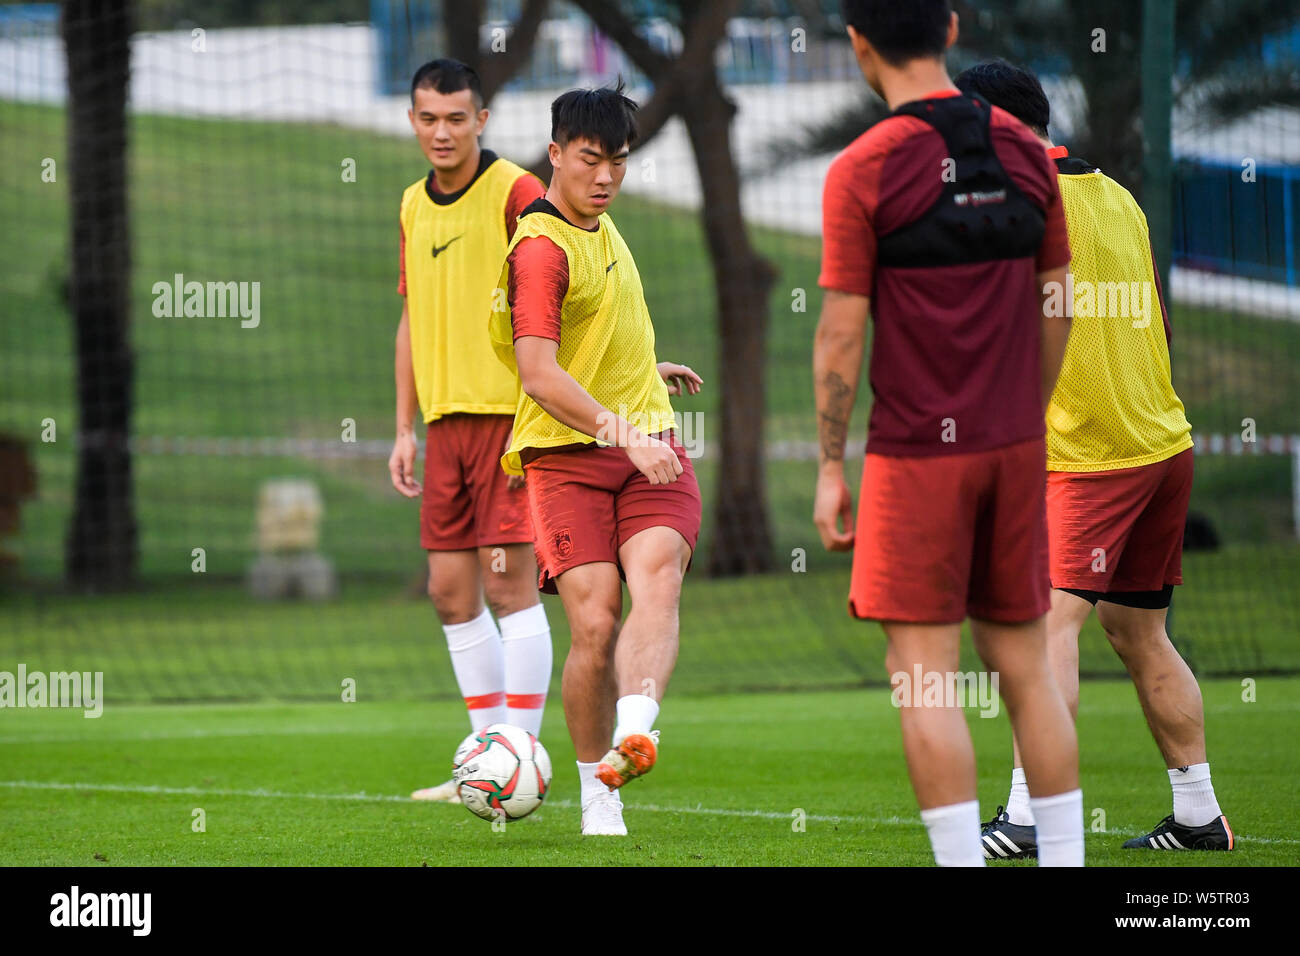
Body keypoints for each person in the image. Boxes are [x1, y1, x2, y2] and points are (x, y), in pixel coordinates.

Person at [813, 0, 1083, 866]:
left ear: (859, 45)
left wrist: (829, 464)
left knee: (926, 676)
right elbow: (1061, 300)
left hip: (916, 459)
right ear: (953, 29)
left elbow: (841, 336)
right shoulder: (1025, 151)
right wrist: (1026, 414)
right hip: (1015, 449)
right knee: (1027, 672)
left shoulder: (863, 168)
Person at [954, 59, 1233, 856]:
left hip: (1091, 457)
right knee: (1140, 634)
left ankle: (1029, 816)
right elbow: (1159, 322)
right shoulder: (1117, 195)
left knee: (1044, 630)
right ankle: (1198, 816)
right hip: (1160, 444)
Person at [489, 83, 703, 837]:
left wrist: (650, 373)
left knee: (658, 581)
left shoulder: (605, 229)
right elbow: (541, 373)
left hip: (647, 445)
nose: (607, 176)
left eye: (618, 160)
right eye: (591, 160)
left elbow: (602, 337)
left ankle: (634, 737)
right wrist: (627, 432)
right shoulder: (542, 249)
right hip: (565, 461)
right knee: (594, 623)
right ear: (555, 155)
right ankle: (596, 792)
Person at [389, 59, 553, 803]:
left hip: (510, 422)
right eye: (429, 117)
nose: (443, 131)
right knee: (451, 592)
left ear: (481, 120)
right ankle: (483, 764)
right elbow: (411, 318)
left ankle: (522, 758)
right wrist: (402, 427)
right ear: (413, 120)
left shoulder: (516, 191)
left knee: (510, 587)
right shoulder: (409, 205)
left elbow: (564, 282)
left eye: (458, 117)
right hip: (443, 428)